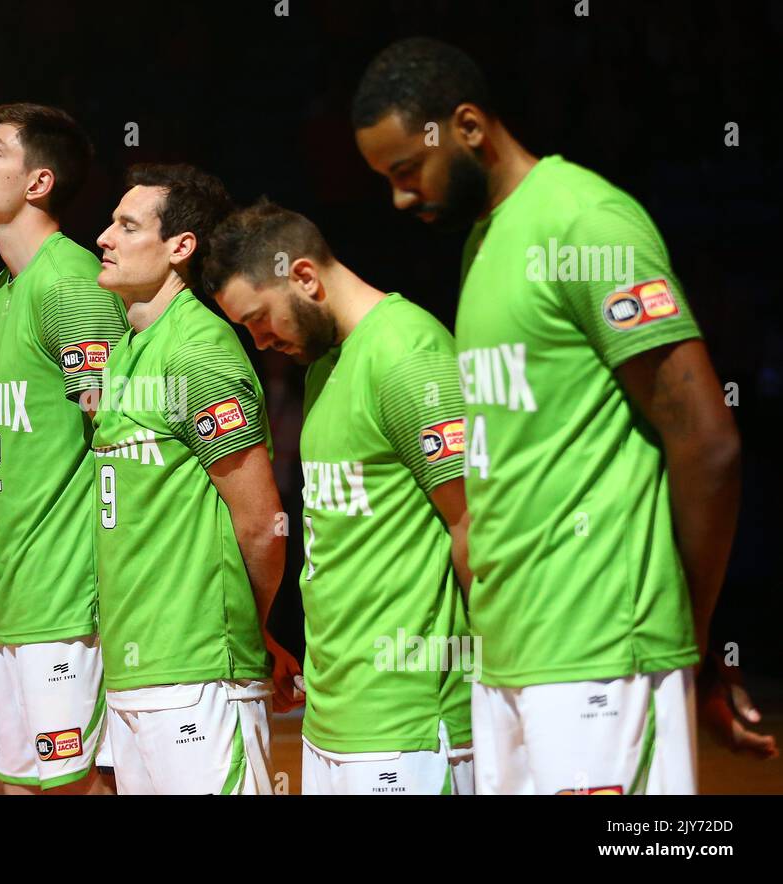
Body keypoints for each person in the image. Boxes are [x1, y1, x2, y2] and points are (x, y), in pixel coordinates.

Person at [353, 36, 742, 793]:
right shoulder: (485, 241)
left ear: (468, 127)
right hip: (509, 656)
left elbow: (706, 439)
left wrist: (687, 639)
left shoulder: (584, 221)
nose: (400, 198)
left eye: (406, 171)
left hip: (601, 646)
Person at [208, 199, 474, 794]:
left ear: (304, 277)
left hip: (410, 721)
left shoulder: (407, 354)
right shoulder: (324, 364)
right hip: (334, 716)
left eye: (259, 318)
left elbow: (477, 527)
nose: (258, 341)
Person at [88, 164, 298, 794]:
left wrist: (246, 628)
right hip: (134, 667)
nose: (104, 236)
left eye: (127, 226)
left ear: (180, 248)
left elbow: (263, 521)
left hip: (200, 671)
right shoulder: (126, 347)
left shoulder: (199, 350)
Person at [0, 103, 127, 793]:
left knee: (76, 786)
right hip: (7, 595)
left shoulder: (69, 283)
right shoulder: (3, 293)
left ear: (38, 183)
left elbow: (123, 442)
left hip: (63, 597)